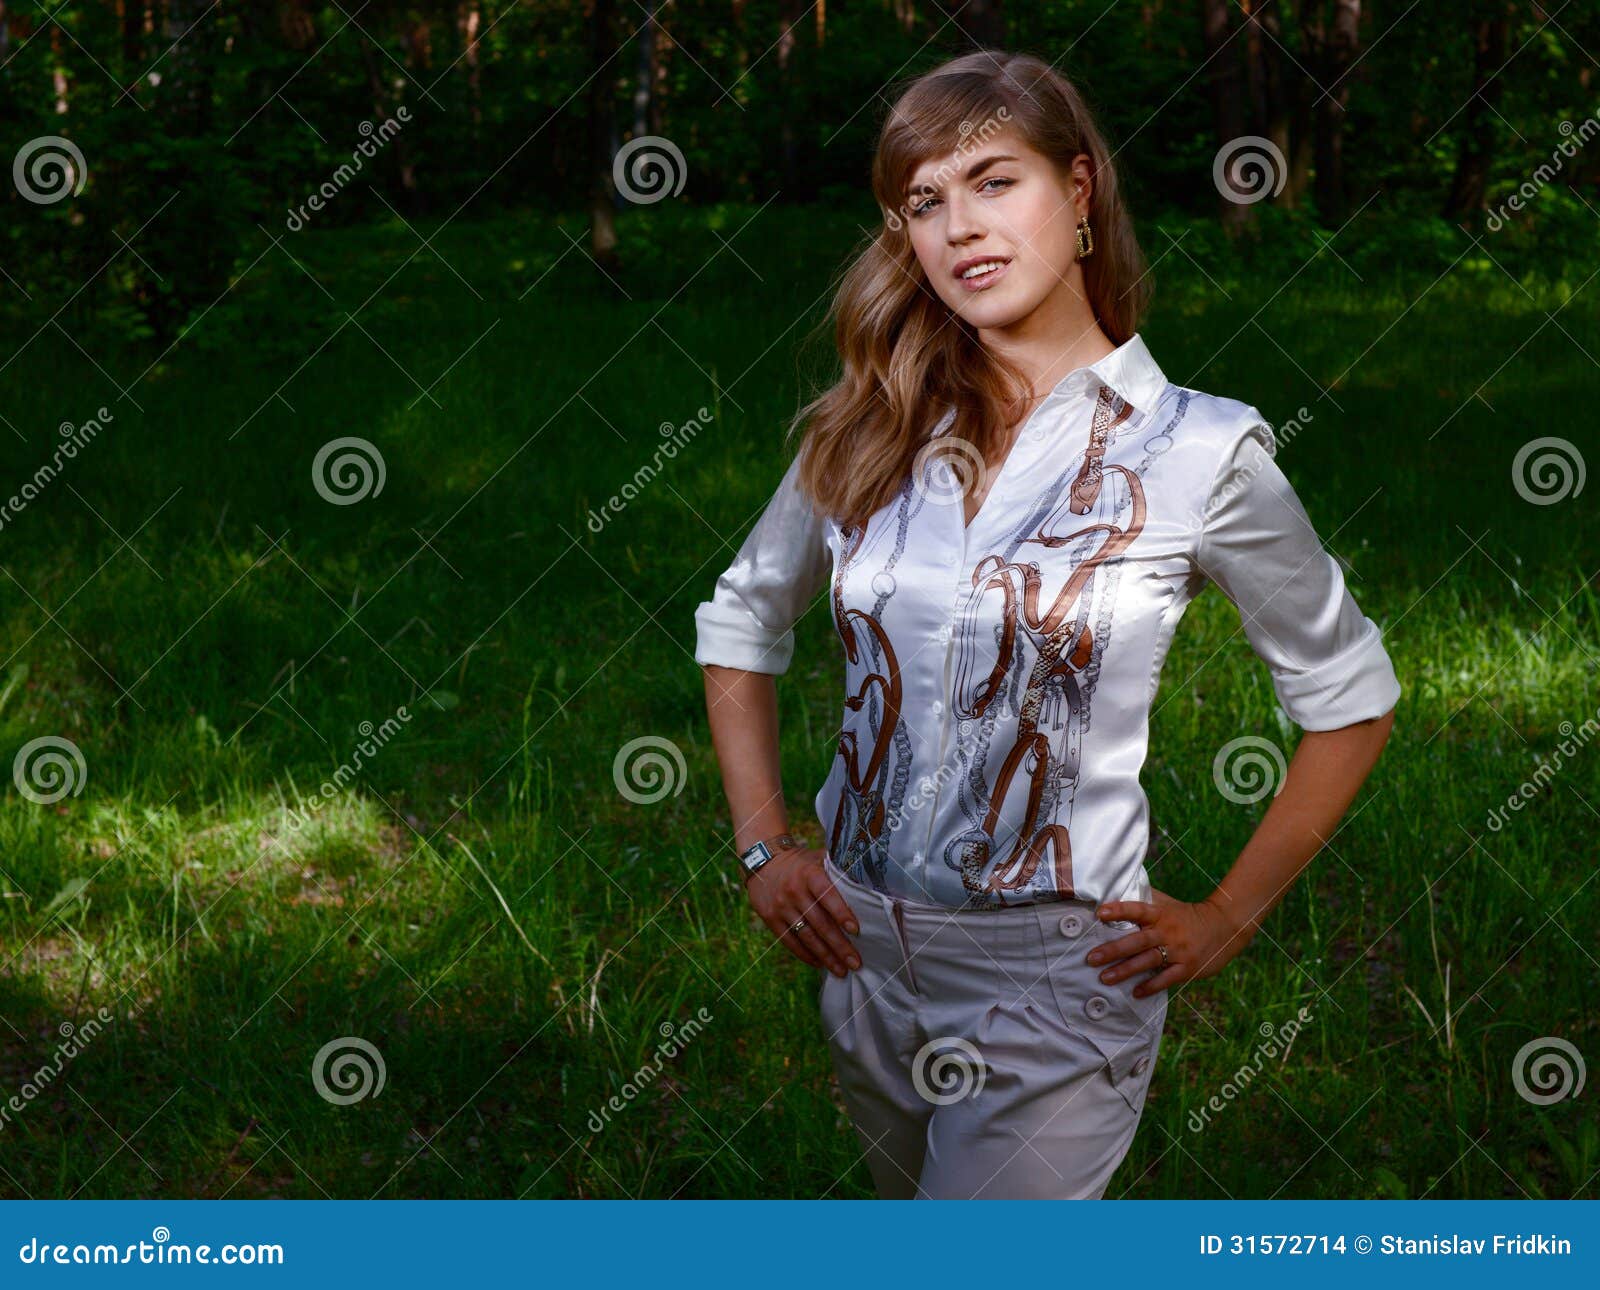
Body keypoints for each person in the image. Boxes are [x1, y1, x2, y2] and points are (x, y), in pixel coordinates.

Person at [693, 49, 1400, 1200]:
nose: (960, 226)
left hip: (1057, 985)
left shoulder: (1199, 450)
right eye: (924, 201)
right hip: (859, 954)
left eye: (993, 181)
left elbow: (1350, 698)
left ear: (1077, 191)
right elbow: (740, 620)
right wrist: (764, 847)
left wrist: (1229, 916)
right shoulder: (869, 427)